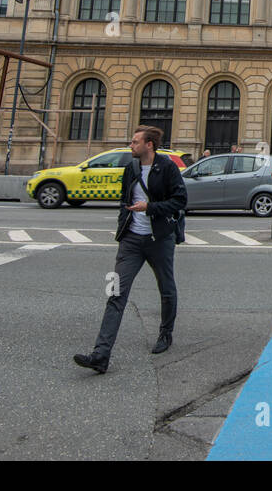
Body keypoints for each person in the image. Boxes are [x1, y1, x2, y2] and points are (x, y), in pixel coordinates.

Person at [74, 125, 187, 374]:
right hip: (132, 241)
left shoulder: (167, 167)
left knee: (166, 289)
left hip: (159, 239)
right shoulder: (131, 168)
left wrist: (149, 208)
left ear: (149, 145)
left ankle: (165, 334)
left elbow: (180, 201)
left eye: (135, 142)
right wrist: (122, 228)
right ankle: (101, 355)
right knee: (115, 293)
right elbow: (124, 201)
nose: (130, 145)